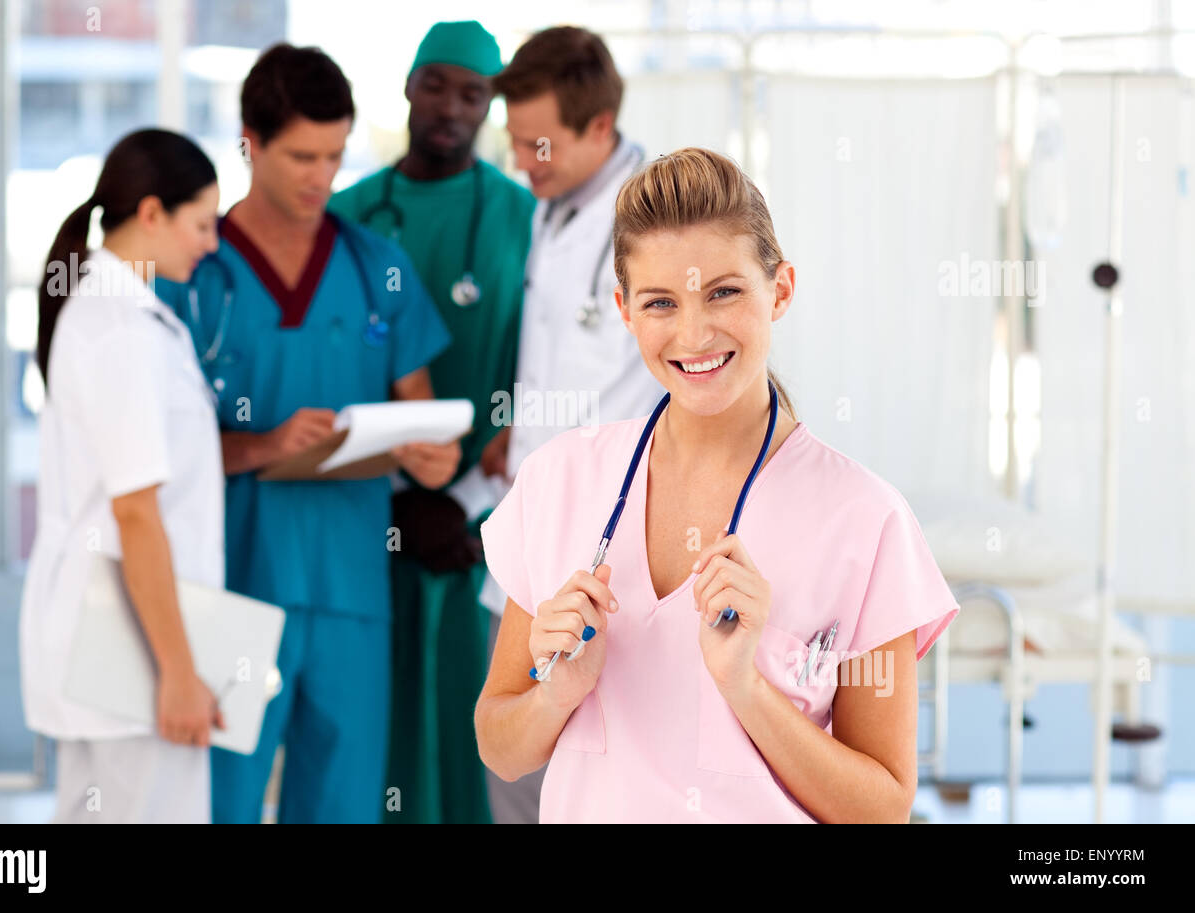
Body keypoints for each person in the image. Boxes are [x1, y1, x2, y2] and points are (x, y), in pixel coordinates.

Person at [475, 148, 961, 823]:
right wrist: (557, 693)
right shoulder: (558, 482)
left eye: (724, 292)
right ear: (624, 309)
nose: (693, 332)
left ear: (781, 289)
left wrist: (747, 687)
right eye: (659, 302)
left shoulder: (865, 520)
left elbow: (881, 806)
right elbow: (501, 747)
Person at [156, 44, 458, 824]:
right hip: (231, 587)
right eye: (299, 156)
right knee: (218, 800)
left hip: (352, 589)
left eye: (334, 154)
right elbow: (150, 452)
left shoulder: (376, 267)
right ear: (248, 143)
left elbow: (418, 415)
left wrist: (433, 459)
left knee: (344, 805)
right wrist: (262, 446)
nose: (321, 177)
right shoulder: (196, 273)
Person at [329, 21, 534, 824]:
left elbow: (541, 377)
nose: (451, 107)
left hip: (478, 522)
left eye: (472, 94)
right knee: (370, 733)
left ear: (489, 106)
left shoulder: (526, 221)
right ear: (410, 88)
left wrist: (468, 500)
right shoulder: (348, 216)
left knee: (472, 730)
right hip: (366, 515)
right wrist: (395, 496)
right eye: (436, 85)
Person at [476, 24, 665, 824]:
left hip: (608, 546)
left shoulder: (657, 221)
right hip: (536, 523)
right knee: (515, 768)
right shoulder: (553, 209)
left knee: (596, 778)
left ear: (599, 127)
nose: (524, 163)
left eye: (540, 145)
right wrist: (514, 433)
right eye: (516, 144)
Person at [20, 128, 223, 823]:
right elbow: (137, 513)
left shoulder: (118, 315)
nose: (211, 243)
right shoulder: (122, 331)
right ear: (150, 214)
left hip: (106, 640)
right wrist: (178, 672)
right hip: (127, 653)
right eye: (201, 224)